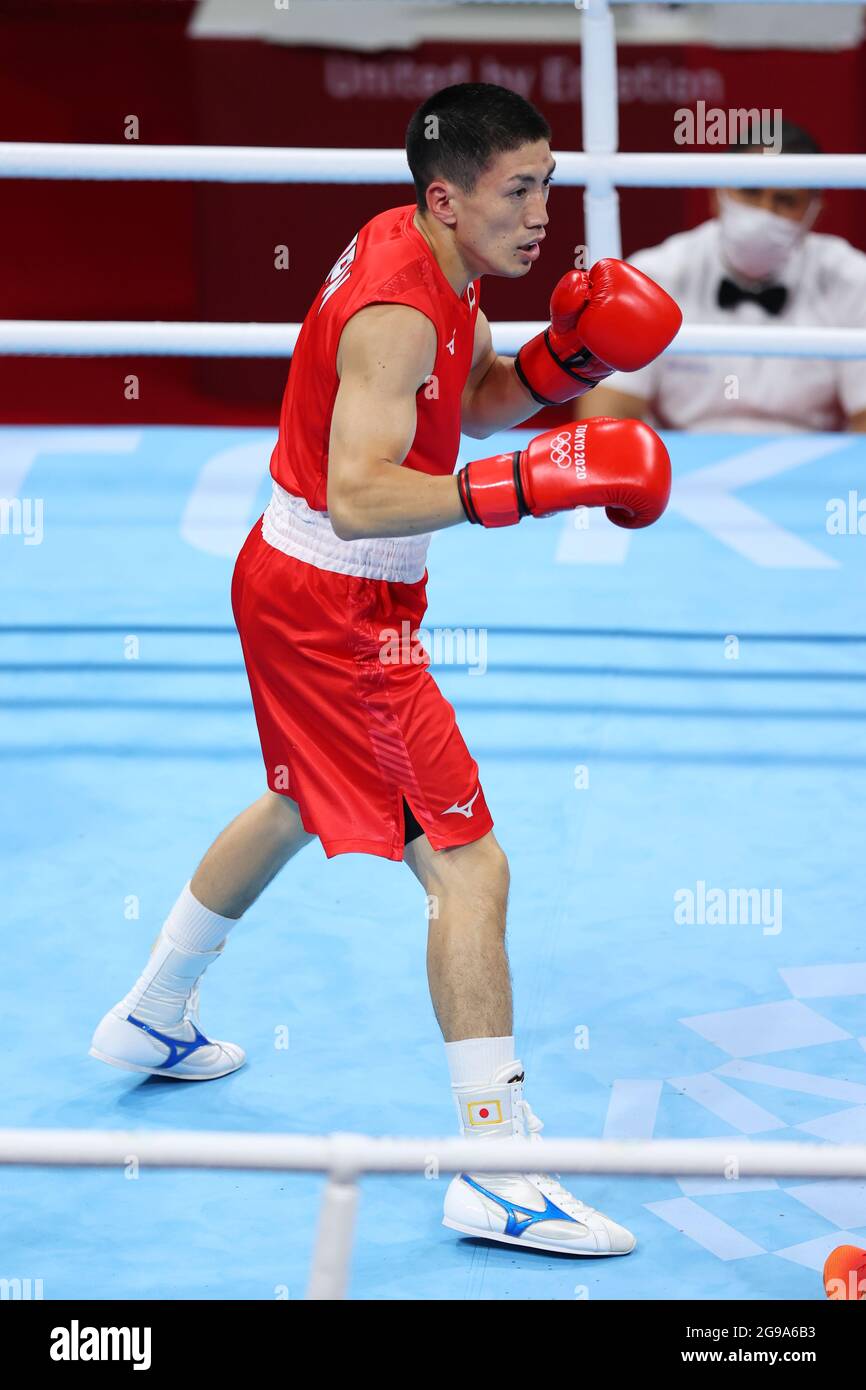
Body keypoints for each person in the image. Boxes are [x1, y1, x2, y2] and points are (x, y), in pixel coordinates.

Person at [90, 83, 680, 1257]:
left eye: (548, 185)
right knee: (468, 865)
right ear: (448, 194)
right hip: (336, 606)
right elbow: (361, 495)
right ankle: (495, 1166)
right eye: (522, 190)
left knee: (304, 795)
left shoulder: (431, 248)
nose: (542, 216)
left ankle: (151, 1014)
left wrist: (566, 361)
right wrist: (526, 488)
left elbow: (466, 407)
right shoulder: (396, 306)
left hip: (302, 583)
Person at [579, 121, 866, 433]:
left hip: (814, 470)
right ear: (718, 195)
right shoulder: (655, 274)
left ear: (814, 212)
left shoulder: (852, 279)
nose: (764, 212)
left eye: (785, 200)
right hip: (680, 469)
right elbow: (604, 418)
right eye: (750, 192)